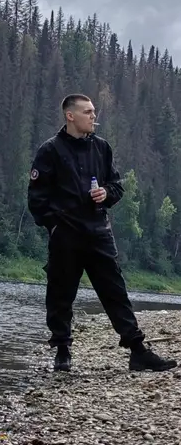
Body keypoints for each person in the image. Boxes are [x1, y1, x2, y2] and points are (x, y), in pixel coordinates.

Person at [28, 93, 177, 372]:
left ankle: (137, 351)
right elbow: (36, 198)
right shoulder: (50, 150)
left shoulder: (102, 148)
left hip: (98, 233)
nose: (93, 116)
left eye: (93, 111)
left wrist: (106, 193)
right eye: (88, 112)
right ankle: (62, 352)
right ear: (70, 115)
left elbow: (117, 186)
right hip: (66, 235)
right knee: (60, 294)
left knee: (115, 292)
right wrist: (54, 225)